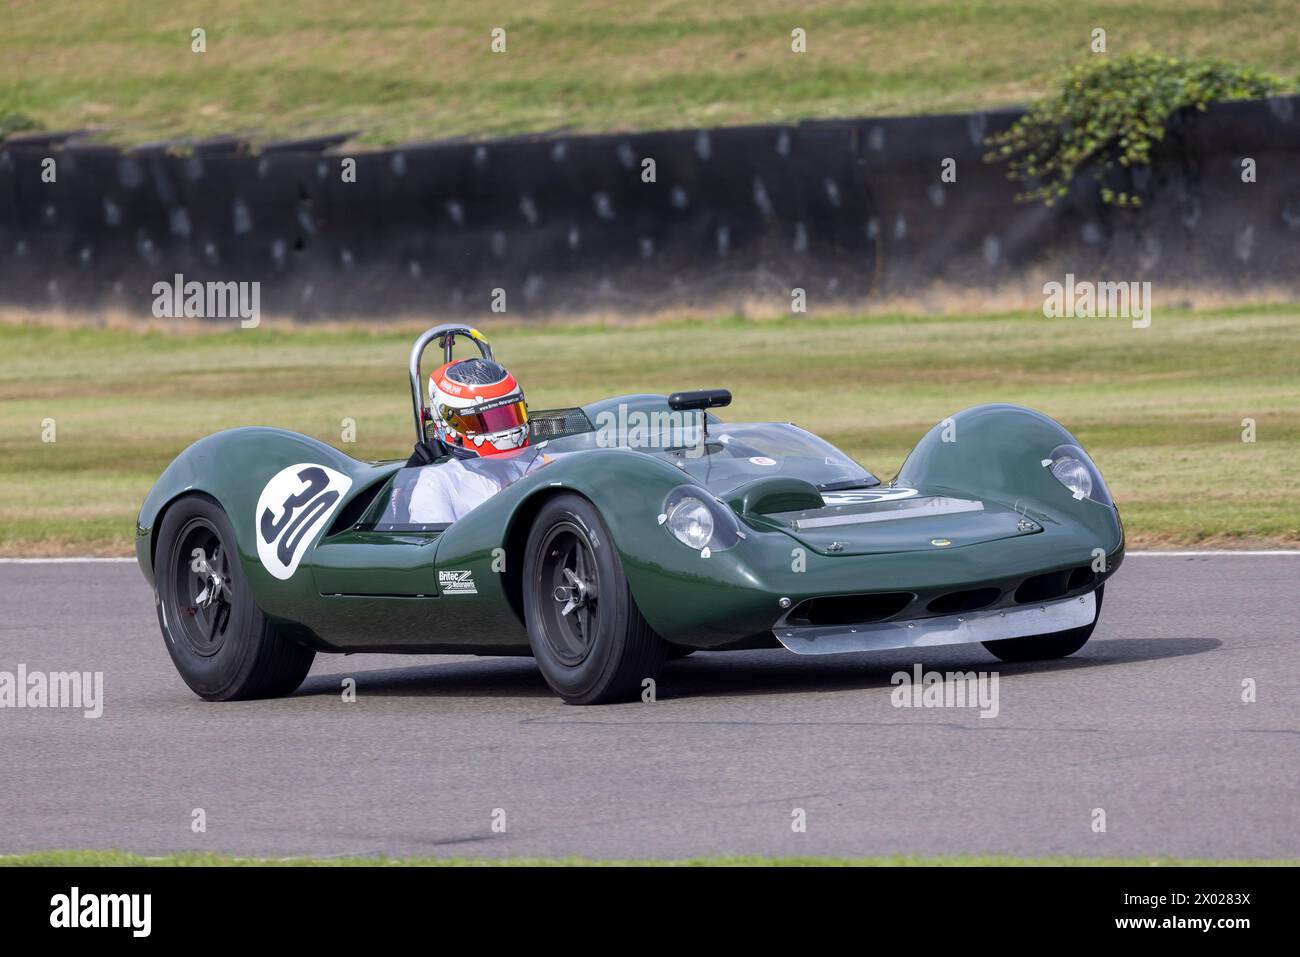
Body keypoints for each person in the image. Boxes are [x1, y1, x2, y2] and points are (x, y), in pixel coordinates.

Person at [404, 357, 534, 525]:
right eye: (487, 421)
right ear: (451, 421)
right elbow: (436, 541)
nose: (503, 427)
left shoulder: (535, 462)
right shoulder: (438, 482)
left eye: (509, 415)